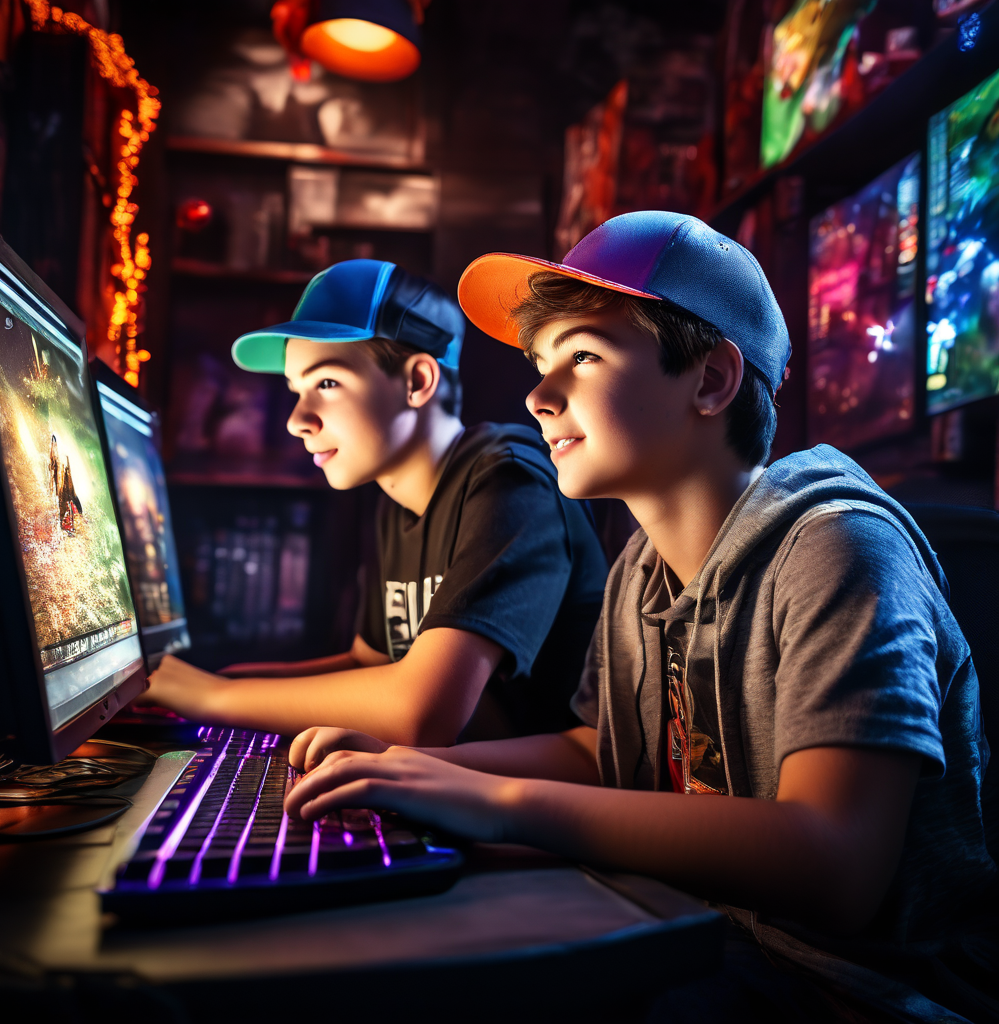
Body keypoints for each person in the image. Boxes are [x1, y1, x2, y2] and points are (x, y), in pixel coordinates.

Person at [283, 214, 997, 1022]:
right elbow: (604, 750)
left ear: (710, 380)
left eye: (583, 357)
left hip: (858, 989)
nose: (538, 396)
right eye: (540, 365)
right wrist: (414, 768)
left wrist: (497, 803)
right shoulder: (640, 569)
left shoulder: (838, 549)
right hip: (709, 929)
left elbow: (835, 864)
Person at [143, 259, 608, 745]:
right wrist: (212, 684)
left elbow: (422, 712)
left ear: (417, 381)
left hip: (543, 788)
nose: (297, 420)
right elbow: (370, 664)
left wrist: (212, 697)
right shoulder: (399, 500)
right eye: (297, 390)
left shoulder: (511, 480)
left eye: (326, 383)